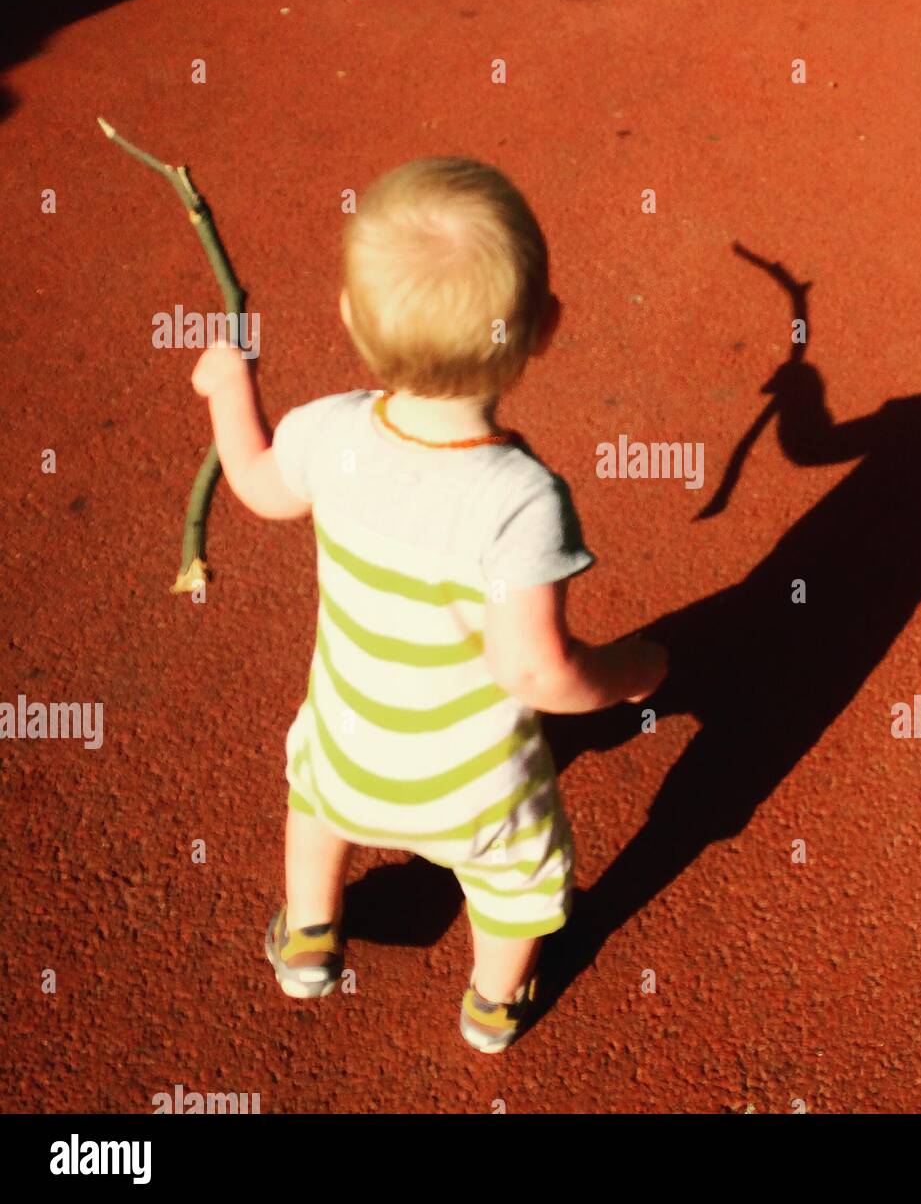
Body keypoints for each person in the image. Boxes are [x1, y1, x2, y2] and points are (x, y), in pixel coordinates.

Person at [190, 157, 666, 1051]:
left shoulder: (327, 433)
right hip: (474, 792)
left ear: (347, 318)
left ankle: (308, 941)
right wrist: (635, 668)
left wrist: (229, 391)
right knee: (520, 881)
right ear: (545, 329)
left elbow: (255, 483)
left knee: (316, 809)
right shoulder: (522, 497)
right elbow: (538, 672)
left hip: (348, 745)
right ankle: (492, 1007)